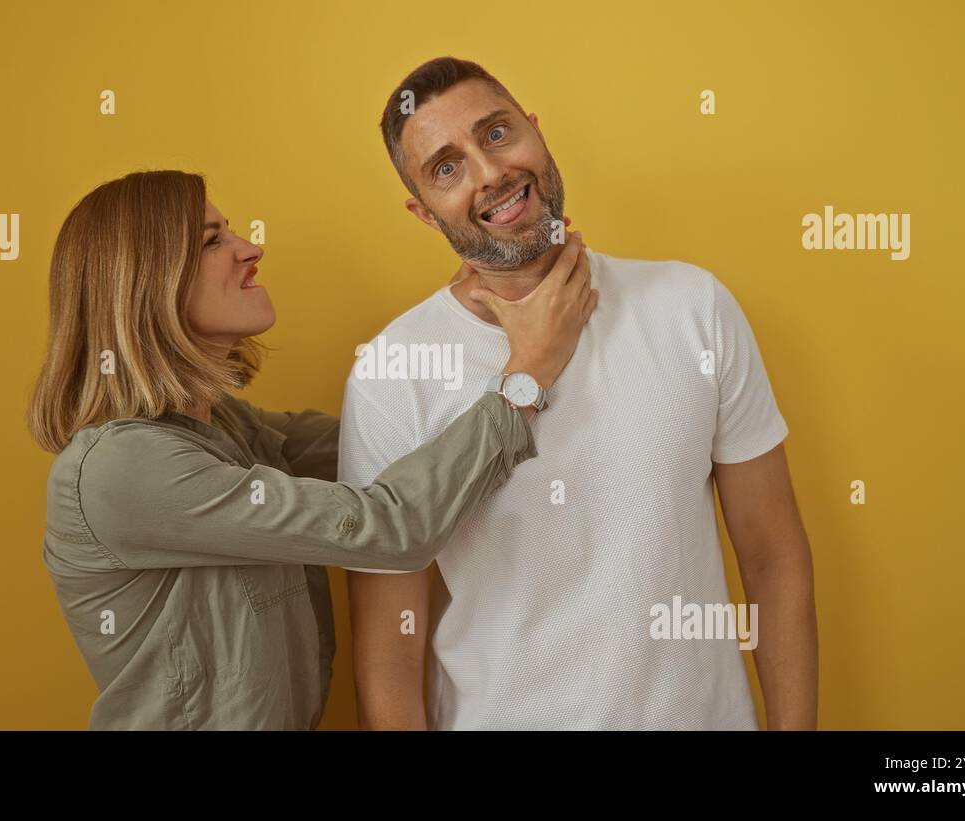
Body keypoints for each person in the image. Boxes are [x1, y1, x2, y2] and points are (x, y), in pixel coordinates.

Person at [25, 169, 597, 729]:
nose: (250, 249)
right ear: (148, 281)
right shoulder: (122, 470)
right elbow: (390, 526)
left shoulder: (226, 429)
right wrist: (529, 372)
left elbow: (389, 441)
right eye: (213, 241)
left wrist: (458, 315)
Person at [343, 57, 818, 730]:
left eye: (497, 133)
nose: (490, 173)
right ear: (423, 212)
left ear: (535, 131)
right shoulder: (391, 372)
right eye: (446, 168)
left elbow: (772, 554)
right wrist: (531, 366)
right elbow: (390, 645)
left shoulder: (692, 307)